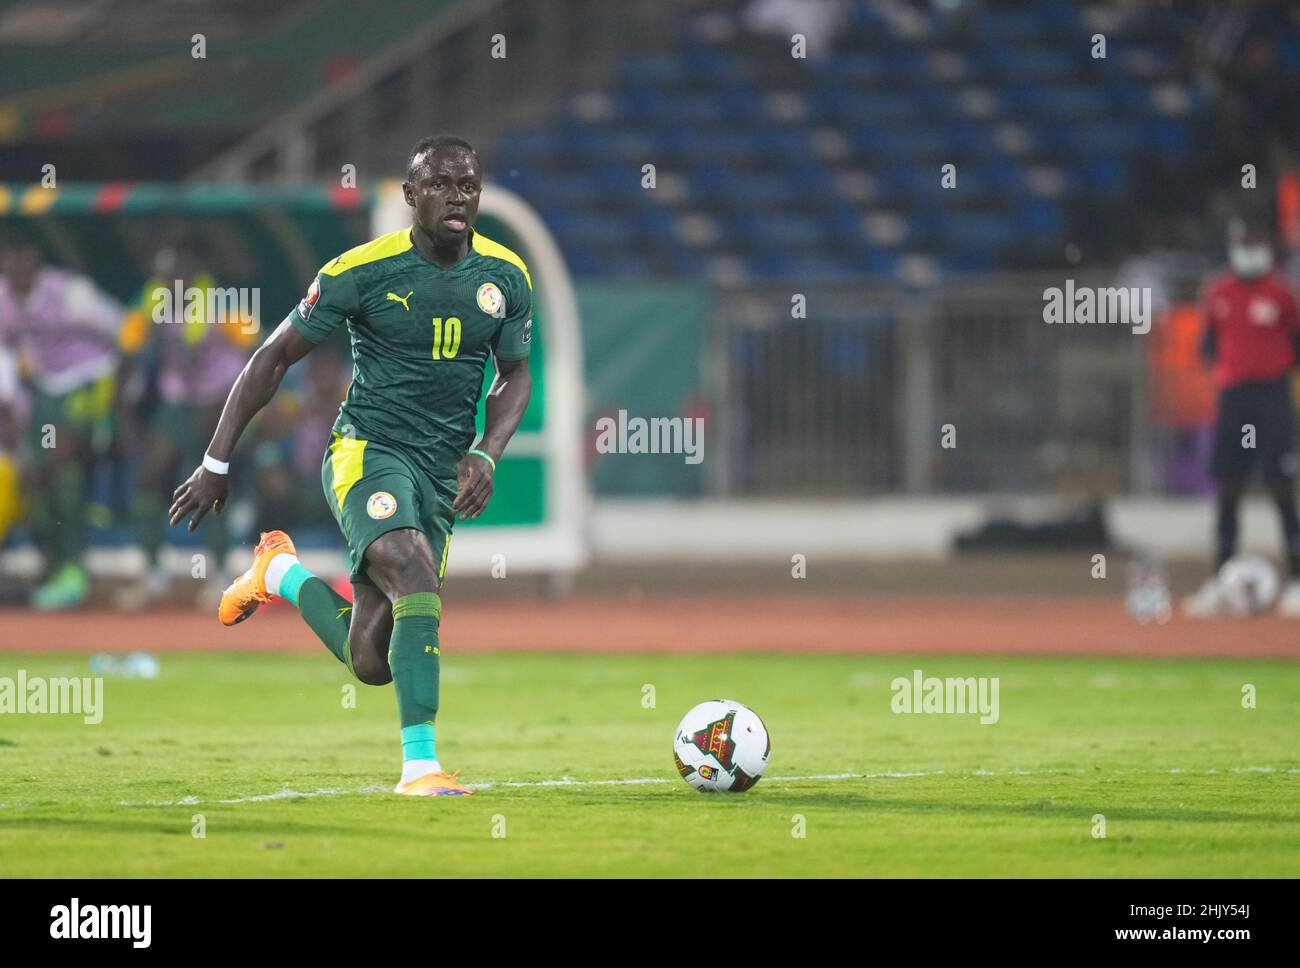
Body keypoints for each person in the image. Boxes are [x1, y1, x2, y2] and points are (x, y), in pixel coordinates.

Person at [169, 135, 534, 796]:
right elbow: (272, 358)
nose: (459, 196)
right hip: (368, 451)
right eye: (444, 184)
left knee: (372, 661)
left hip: (442, 470)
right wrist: (215, 461)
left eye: (470, 185)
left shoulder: (505, 276)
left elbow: (515, 374)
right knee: (413, 563)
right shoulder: (360, 271)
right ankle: (421, 765)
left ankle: (276, 573)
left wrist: (487, 450)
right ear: (410, 195)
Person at [115, 241, 259, 609]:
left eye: (176, 274)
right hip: (179, 402)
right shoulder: (150, 301)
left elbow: (258, 357)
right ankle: (152, 574)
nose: (169, 282)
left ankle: (220, 573)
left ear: (195, 274)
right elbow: (125, 354)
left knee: (211, 477)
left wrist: (232, 407)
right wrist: (125, 417)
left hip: (223, 401)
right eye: (162, 275)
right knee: (149, 473)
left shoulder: (223, 303)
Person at [1185, 218, 1300, 616]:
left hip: (1272, 396)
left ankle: (1297, 582)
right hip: (1234, 397)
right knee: (1228, 488)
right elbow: (1207, 345)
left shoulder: (1283, 293)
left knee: (1281, 487)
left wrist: (1272, 368)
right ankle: (1220, 580)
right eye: (1244, 242)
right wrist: (1230, 368)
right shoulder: (1218, 292)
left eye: (1256, 241)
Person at [0, 239, 122, 610]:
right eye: (10, 262)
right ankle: (53, 565)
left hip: (91, 379)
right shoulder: (3, 299)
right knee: (35, 473)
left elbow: (120, 329)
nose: (18, 270)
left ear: (36, 263)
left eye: (25, 261)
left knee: (62, 461)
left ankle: (76, 566)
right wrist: (12, 407)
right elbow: (5, 352)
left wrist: (119, 400)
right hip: (45, 389)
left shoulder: (71, 293)